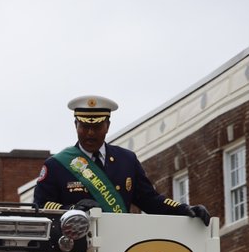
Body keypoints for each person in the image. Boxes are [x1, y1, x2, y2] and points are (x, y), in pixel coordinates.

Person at [33, 96, 211, 224]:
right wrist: (73, 210)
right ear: (76, 126)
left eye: (96, 126)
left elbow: (150, 200)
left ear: (107, 126)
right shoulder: (57, 165)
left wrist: (184, 210)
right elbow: (40, 207)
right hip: (74, 247)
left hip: (118, 246)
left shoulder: (126, 160)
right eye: (85, 126)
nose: (90, 133)